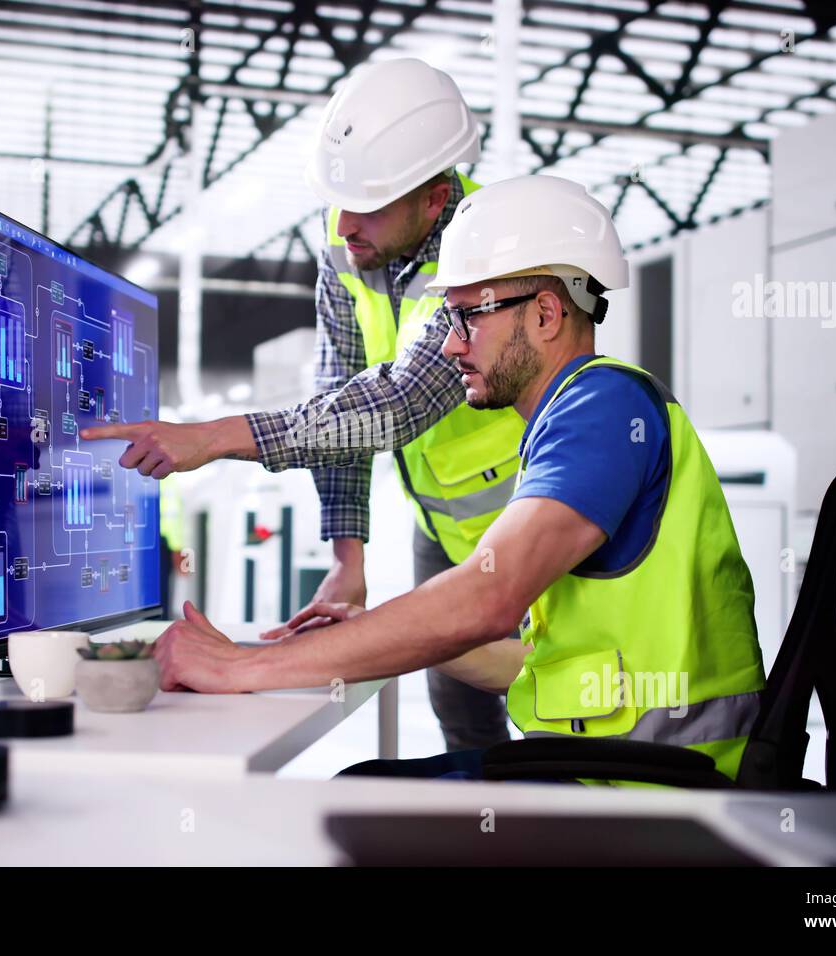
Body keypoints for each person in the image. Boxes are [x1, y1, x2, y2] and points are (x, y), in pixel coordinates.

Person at [148, 175, 768, 783]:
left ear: (547, 314)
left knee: (362, 802)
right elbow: (534, 664)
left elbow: (486, 601)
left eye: (467, 316)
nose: (449, 346)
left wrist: (241, 667)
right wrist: (366, 630)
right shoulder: (576, 417)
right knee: (368, 786)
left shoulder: (603, 408)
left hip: (652, 793)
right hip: (626, 769)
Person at [84, 58, 526, 751]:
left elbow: (396, 405)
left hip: (529, 523)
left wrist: (219, 436)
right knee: (465, 726)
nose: (344, 224)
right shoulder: (346, 238)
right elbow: (339, 389)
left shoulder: (482, 256)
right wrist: (349, 556)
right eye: (338, 198)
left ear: (435, 198)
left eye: (369, 203)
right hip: (440, 526)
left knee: (546, 703)